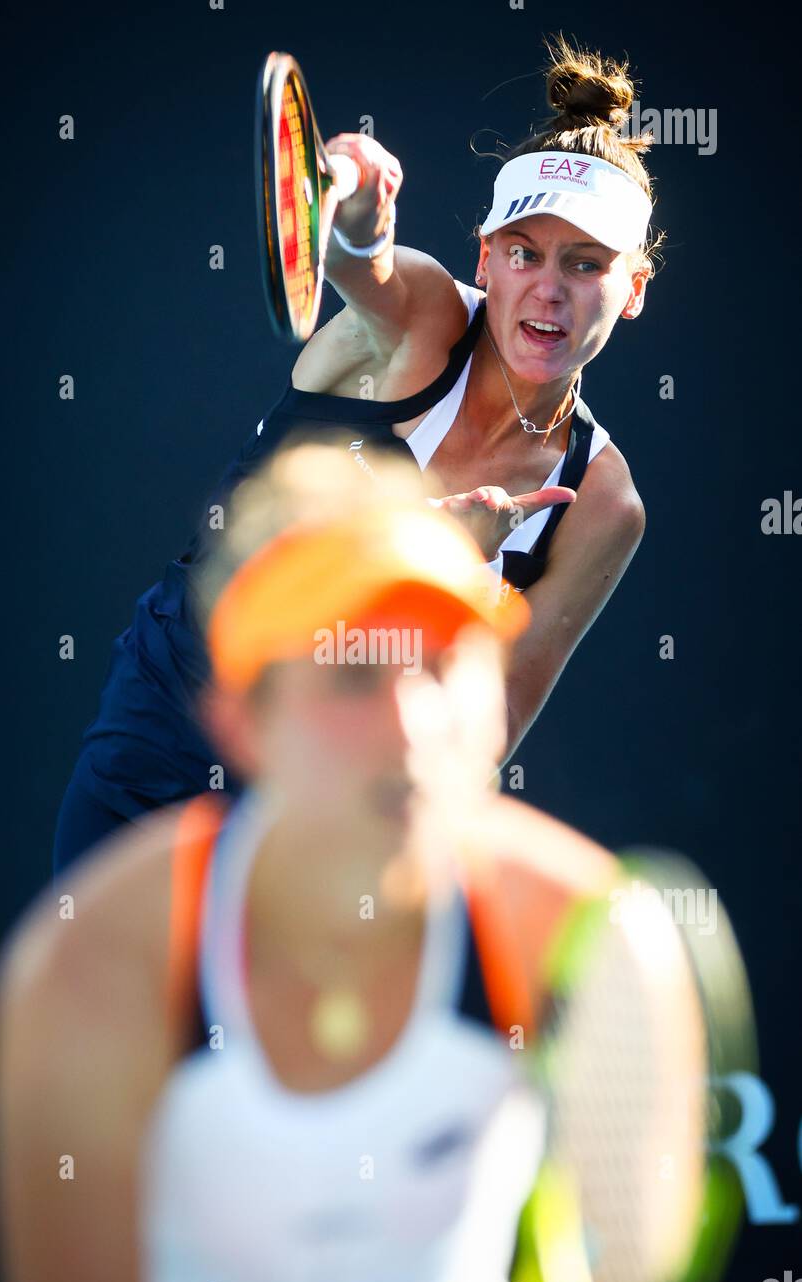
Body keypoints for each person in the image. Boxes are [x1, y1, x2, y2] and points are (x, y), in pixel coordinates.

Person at [0, 451, 647, 1282]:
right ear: (240, 723)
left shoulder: (581, 934)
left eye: (445, 664)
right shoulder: (90, 968)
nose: (411, 723)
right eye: (352, 675)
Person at [54, 35, 657, 881]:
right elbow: (359, 261)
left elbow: (493, 726)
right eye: (522, 253)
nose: (546, 290)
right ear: (485, 256)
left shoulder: (602, 504)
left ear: (632, 289)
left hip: (342, 796)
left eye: (585, 264)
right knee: (106, 1004)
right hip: (174, 721)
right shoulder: (420, 320)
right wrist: (355, 209)